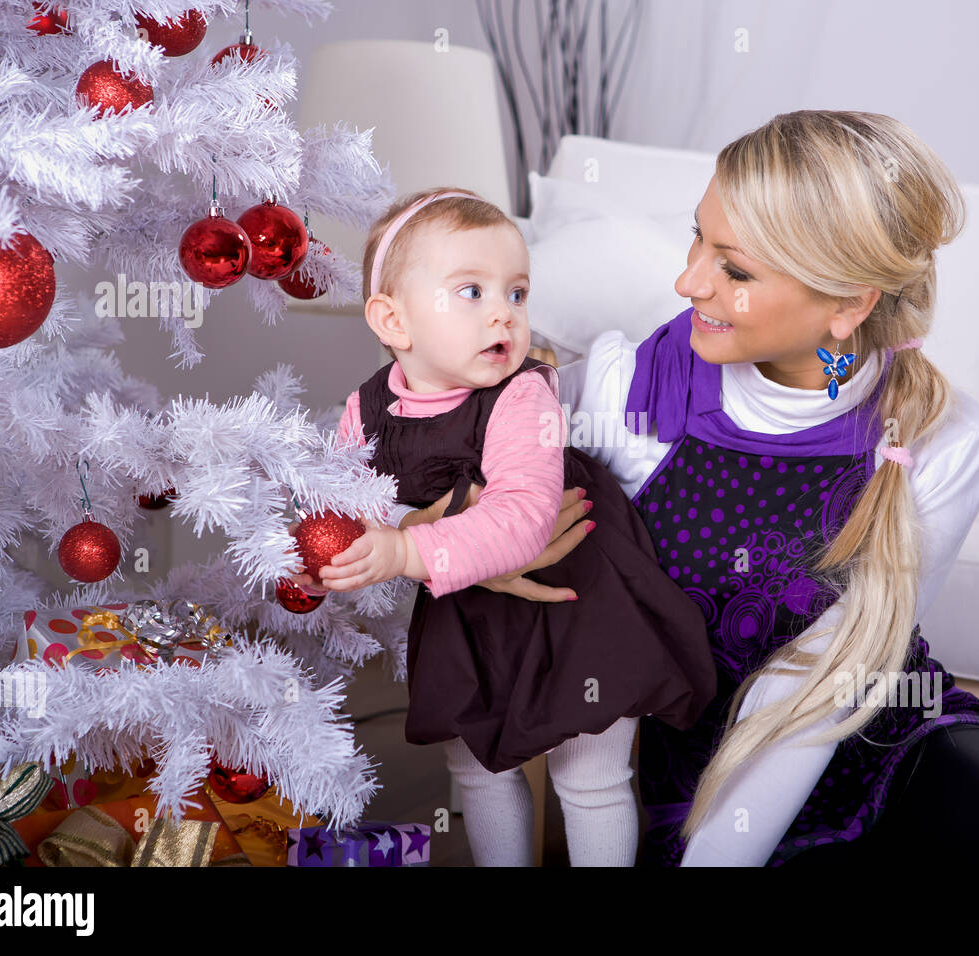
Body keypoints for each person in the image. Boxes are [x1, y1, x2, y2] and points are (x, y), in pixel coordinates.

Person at [410, 111, 979, 867]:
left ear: (846, 306)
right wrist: (460, 543)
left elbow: (815, 684)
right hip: (703, 796)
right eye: (696, 241)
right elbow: (413, 464)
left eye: (731, 267)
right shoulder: (627, 388)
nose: (688, 283)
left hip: (885, 755)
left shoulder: (945, 439)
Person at [293, 188, 716, 867]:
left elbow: (521, 521)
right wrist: (354, 542)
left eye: (517, 294)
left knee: (590, 774)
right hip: (468, 607)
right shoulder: (366, 407)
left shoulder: (523, 395)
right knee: (479, 766)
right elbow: (352, 499)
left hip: (579, 599)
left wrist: (404, 546)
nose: (504, 313)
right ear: (392, 320)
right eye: (471, 291)